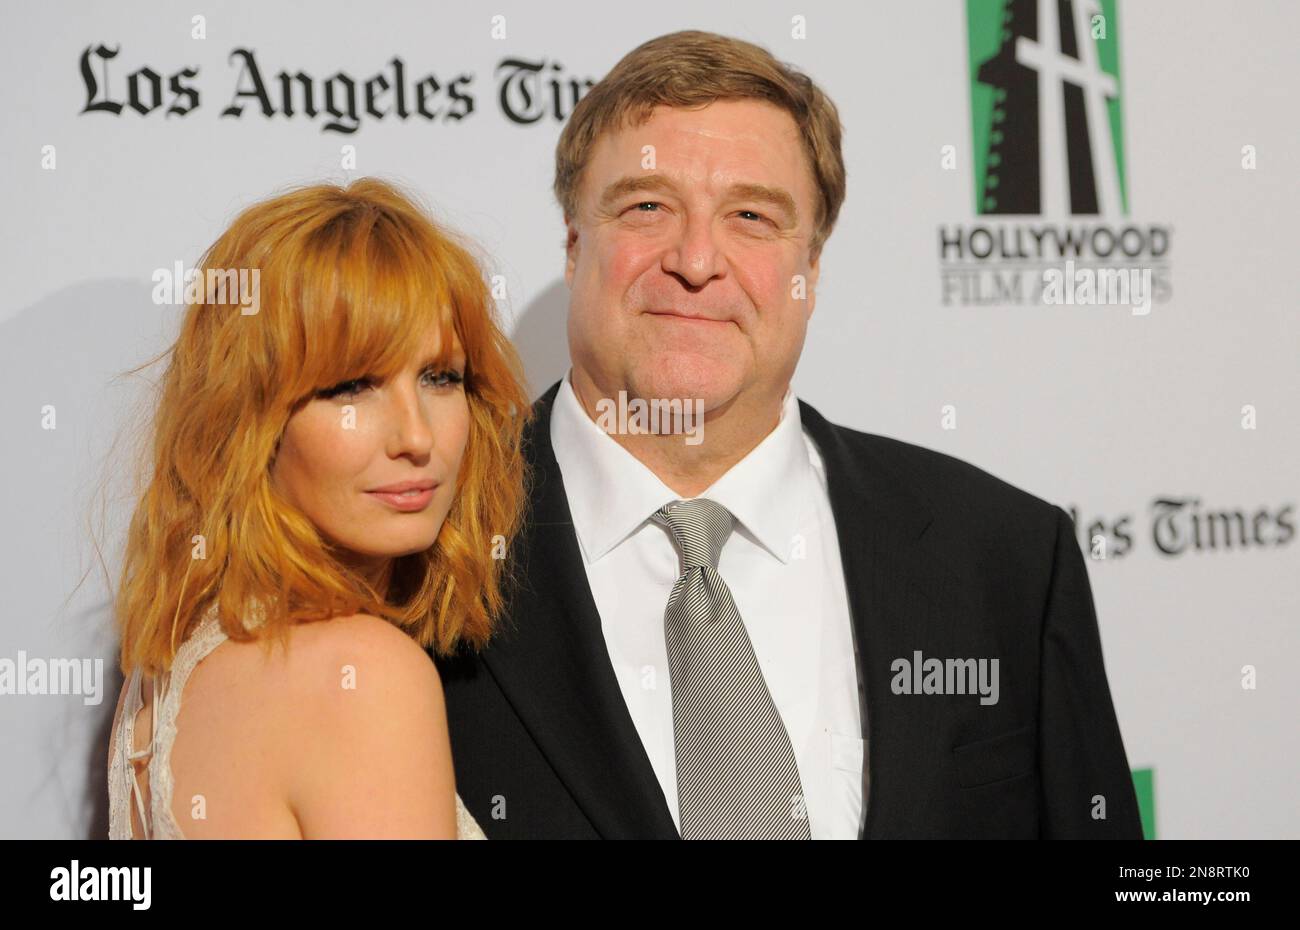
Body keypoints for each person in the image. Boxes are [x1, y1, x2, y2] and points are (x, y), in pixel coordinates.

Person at [436, 30, 1144, 839]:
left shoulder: (1004, 556)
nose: (697, 260)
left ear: (813, 267)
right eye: (646, 207)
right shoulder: (415, 548)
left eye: (750, 216)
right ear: (573, 245)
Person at [106, 178, 530, 839]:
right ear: (249, 419)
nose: (416, 438)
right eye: (351, 387)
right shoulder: (362, 678)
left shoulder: (161, 681)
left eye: (440, 377)